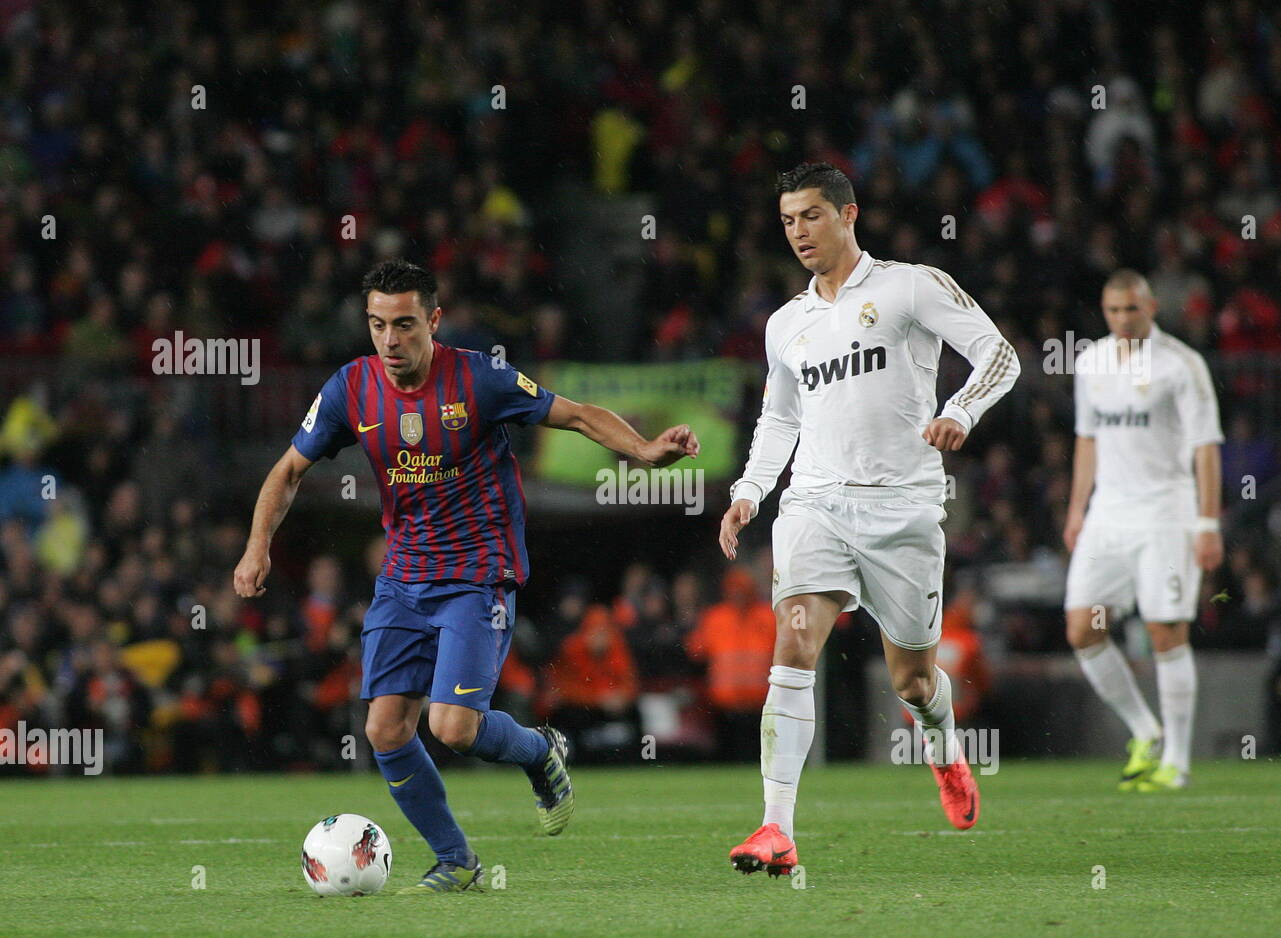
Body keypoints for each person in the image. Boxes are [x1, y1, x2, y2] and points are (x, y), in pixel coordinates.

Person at [234, 259, 698, 892]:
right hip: (402, 578)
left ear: (433, 319)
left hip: (479, 574)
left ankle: (540, 751)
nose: (390, 341)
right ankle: (457, 861)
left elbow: (578, 414)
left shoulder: (480, 378)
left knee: (450, 727)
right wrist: (257, 546)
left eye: (403, 325)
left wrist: (644, 451)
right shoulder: (351, 388)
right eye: (377, 325)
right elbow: (287, 470)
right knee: (384, 730)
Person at [718, 163, 1020, 876]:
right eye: (789, 220)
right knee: (792, 648)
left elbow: (998, 356)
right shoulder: (785, 323)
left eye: (812, 216)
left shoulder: (910, 286)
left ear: (849, 215)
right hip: (815, 505)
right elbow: (780, 418)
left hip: (905, 509)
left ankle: (941, 745)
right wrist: (750, 490)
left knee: (913, 679)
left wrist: (958, 411)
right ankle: (775, 829)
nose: (798, 232)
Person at [1064, 269, 1223, 791]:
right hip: (1109, 513)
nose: (1122, 319)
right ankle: (1143, 727)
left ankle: (1177, 761)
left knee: (1165, 632)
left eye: (1131, 309)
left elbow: (1205, 447)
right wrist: (1076, 510)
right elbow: (1087, 439)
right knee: (1083, 629)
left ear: (1151, 307)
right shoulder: (1090, 361)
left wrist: (1207, 522)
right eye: (1113, 311)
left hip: (1165, 512)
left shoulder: (1182, 365)